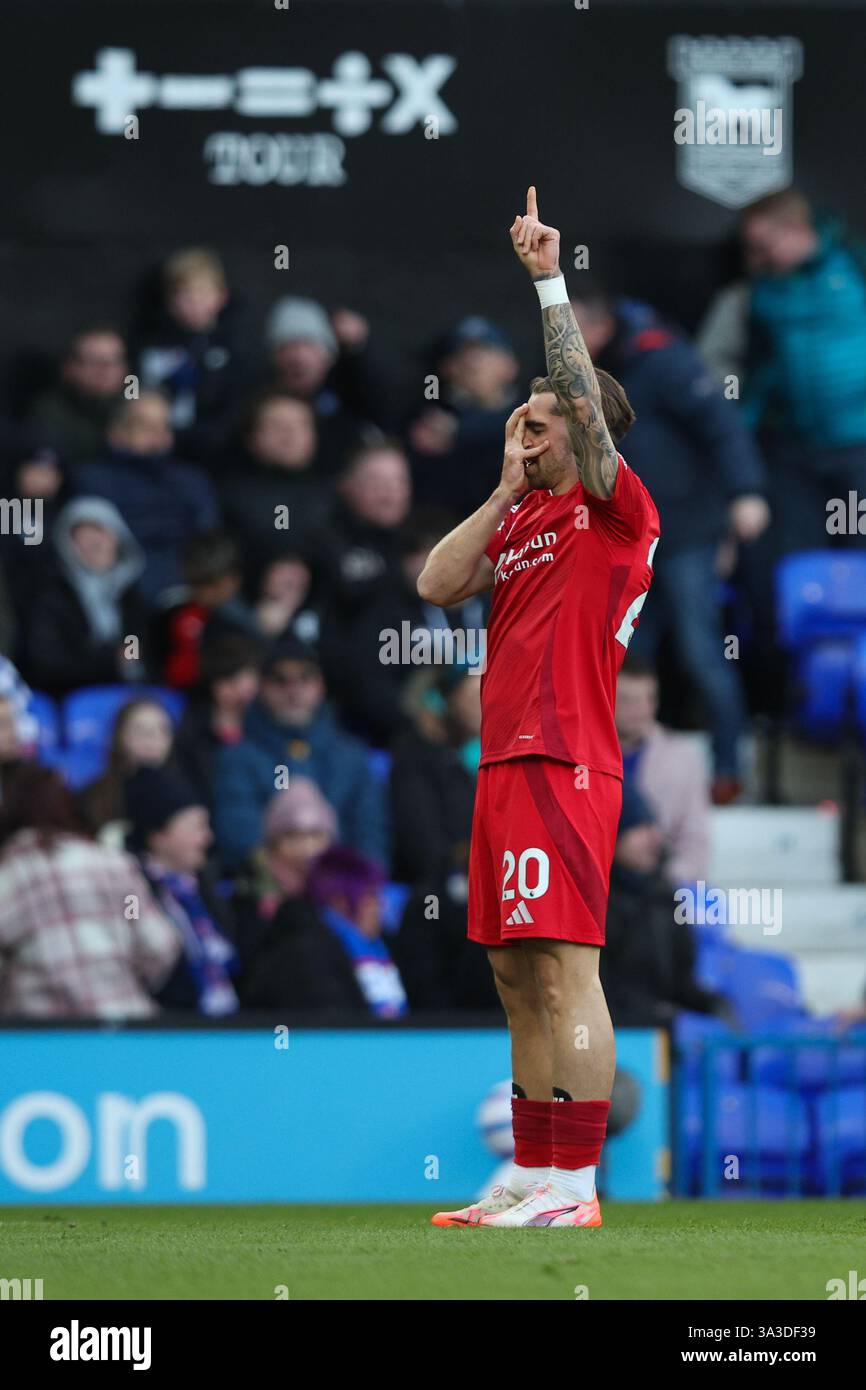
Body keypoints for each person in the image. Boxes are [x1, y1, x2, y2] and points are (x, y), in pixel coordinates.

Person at [419, 188, 659, 1230]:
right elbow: (434, 583)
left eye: (548, 409)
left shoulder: (615, 506)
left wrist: (545, 281)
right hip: (504, 759)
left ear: (588, 424)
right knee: (515, 975)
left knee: (567, 970)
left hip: (567, 755)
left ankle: (577, 1183)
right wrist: (502, 487)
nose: (531, 417)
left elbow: (579, 396)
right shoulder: (524, 515)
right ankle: (528, 1169)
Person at [570, 285, 767, 800]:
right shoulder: (576, 375)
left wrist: (744, 492)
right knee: (627, 655)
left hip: (686, 536)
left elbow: (721, 425)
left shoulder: (662, 357)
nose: (564, 341)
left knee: (701, 651)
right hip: (627, 541)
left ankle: (729, 769)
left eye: (573, 330)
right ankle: (614, 774)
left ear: (599, 326)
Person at [698, 188, 866, 557]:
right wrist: (743, 420)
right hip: (793, 445)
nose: (756, 257)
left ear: (794, 229)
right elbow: (753, 365)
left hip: (857, 442)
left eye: (763, 245)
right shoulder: (757, 290)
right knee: (797, 555)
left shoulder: (854, 263)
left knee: (859, 550)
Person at [0, 764, 179, 1019]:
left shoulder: (10, 875)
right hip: (125, 1024)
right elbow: (157, 941)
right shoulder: (115, 865)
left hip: (41, 1039)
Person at [211, 635, 387, 871]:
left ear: (320, 686)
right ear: (262, 688)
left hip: (341, 893)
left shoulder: (352, 756)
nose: (293, 690)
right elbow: (240, 837)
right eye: (280, 680)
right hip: (272, 892)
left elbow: (370, 835)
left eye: (305, 677)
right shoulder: (237, 758)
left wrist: (353, 884)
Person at [72, 392, 220, 606]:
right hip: (125, 595)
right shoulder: (92, 480)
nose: (159, 436)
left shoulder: (192, 480)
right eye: (146, 427)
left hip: (194, 590)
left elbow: (209, 540)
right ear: (116, 432)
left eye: (164, 427)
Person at [600, 784, 727, 1026]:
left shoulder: (665, 898)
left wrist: (714, 1005)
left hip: (658, 1041)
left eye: (652, 826)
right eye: (639, 827)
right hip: (612, 1041)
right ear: (612, 836)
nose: (652, 838)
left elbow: (681, 984)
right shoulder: (593, 905)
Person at [124, 767, 239, 1017]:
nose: (207, 838)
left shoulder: (204, 887)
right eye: (196, 827)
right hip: (169, 1034)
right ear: (158, 836)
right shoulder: (131, 889)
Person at [19, 496, 148, 695]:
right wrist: (111, 662)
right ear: (68, 545)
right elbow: (47, 664)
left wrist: (130, 655)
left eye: (101, 531)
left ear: (118, 537)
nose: (95, 543)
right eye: (83, 535)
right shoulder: (49, 596)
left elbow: (136, 644)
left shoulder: (130, 595)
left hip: (130, 695)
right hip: (68, 699)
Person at [136, 247, 251, 462]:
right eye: (184, 295)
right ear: (169, 301)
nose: (193, 302)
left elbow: (236, 409)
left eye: (202, 293)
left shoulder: (234, 349)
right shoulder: (151, 348)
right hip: (156, 447)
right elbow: (136, 394)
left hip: (216, 453)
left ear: (221, 297)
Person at [409, 316, 522, 516]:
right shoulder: (434, 415)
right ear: (447, 368)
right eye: (463, 355)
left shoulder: (535, 405)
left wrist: (459, 432)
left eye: (486, 352)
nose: (473, 362)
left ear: (510, 366)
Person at [615, 657, 710, 885]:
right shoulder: (581, 755)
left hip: (660, 880)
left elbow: (695, 835)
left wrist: (666, 882)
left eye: (645, 699)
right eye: (625, 700)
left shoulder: (683, 757)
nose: (636, 709)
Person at [265, 296, 387, 474]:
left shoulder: (349, 399)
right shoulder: (257, 399)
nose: (298, 358)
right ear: (274, 358)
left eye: (309, 346)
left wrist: (357, 352)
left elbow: (379, 404)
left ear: (329, 357)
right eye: (289, 346)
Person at [218, 391, 332, 571]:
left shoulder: (336, 494)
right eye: (276, 426)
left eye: (300, 425)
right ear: (252, 438)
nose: (289, 435)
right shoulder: (228, 497)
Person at [174, 633, 262, 803]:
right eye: (229, 680)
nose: (240, 687)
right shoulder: (192, 731)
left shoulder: (269, 724)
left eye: (246, 676)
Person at [27, 326, 129, 463]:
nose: (106, 371)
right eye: (94, 362)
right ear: (70, 368)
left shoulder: (133, 405)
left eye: (114, 361)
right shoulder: (49, 413)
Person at [80, 697, 176, 834]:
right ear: (119, 736)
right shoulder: (92, 796)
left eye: (163, 730)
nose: (153, 738)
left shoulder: (183, 793)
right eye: (140, 730)